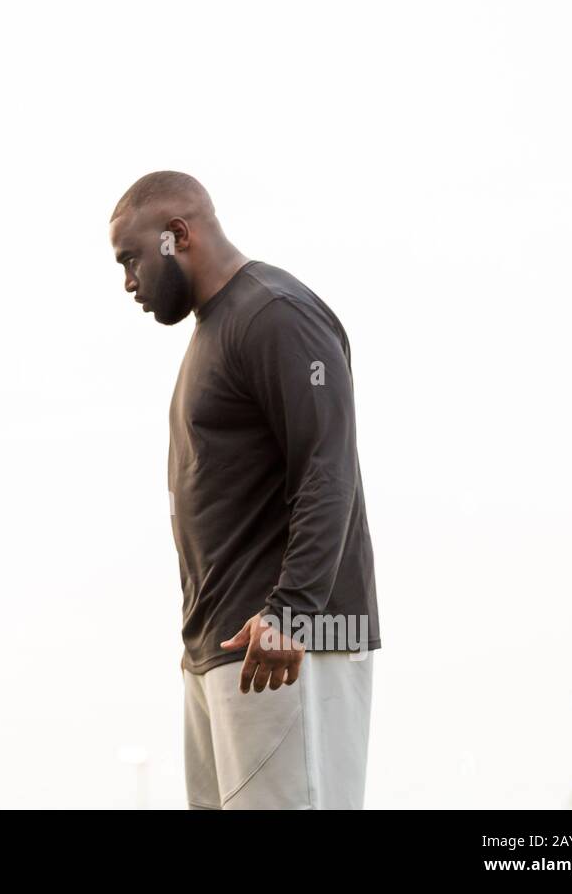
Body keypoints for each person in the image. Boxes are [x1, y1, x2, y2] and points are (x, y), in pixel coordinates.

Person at [108, 171, 381, 809]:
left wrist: (293, 611)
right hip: (223, 651)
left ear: (176, 236)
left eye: (132, 259)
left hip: (294, 641)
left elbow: (327, 467)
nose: (127, 283)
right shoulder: (215, 329)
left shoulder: (275, 313)